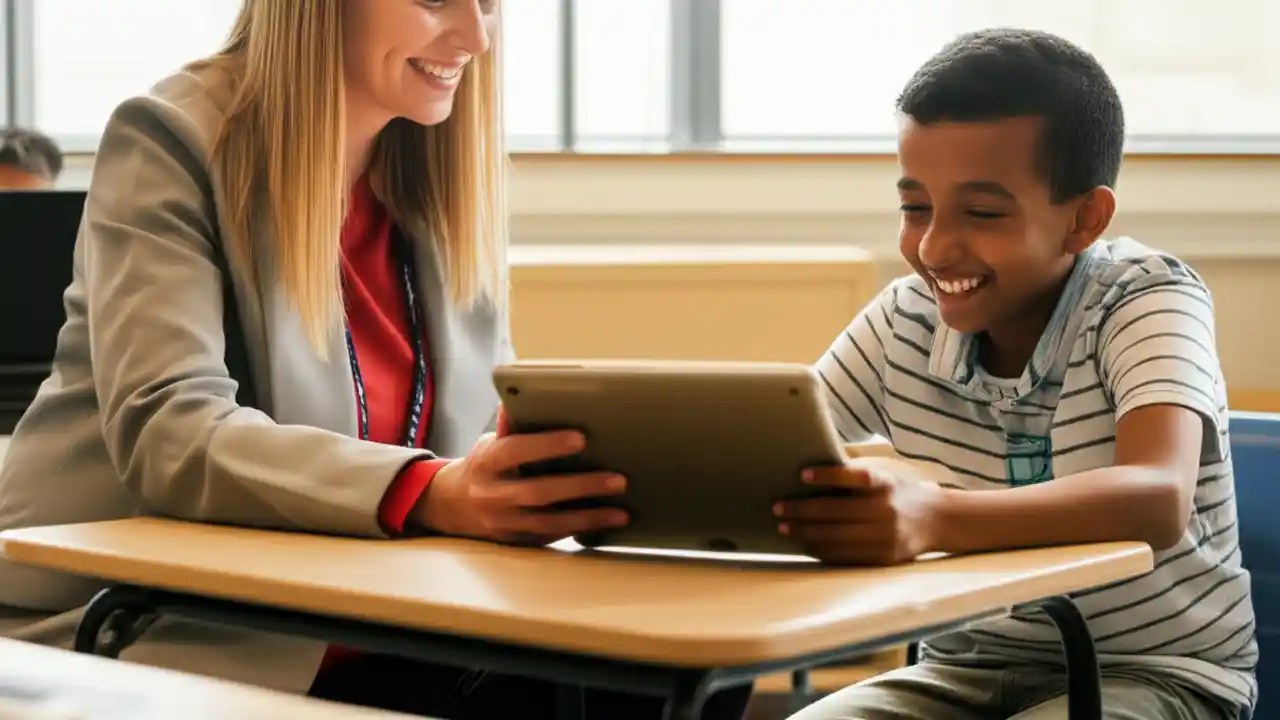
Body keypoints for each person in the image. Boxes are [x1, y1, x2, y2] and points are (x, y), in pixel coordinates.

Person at [0, 2, 751, 718]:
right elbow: (170, 429)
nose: (475, 37)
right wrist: (432, 492)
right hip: (151, 627)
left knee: (687, 672)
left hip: (379, 622)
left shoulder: (438, 164)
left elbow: (483, 436)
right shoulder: (172, 138)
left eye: (487, 2)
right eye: (434, 0)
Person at [778, 29, 1256, 720]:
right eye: (916, 208)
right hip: (961, 673)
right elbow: (771, 440)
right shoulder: (906, 318)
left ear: (1083, 219)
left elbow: (1157, 497)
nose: (935, 246)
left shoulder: (1147, 297)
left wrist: (934, 517)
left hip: (1159, 677)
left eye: (982, 213)